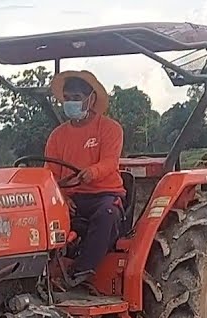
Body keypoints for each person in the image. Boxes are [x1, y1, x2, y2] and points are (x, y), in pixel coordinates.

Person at [43, 70, 125, 290]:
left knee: (107, 214)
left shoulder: (109, 129)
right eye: (67, 99)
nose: (71, 103)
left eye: (76, 98)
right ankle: (42, 272)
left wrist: (93, 172)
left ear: (91, 99)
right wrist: (61, 199)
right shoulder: (57, 136)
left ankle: (80, 273)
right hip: (72, 197)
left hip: (103, 195)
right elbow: (50, 173)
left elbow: (110, 162)